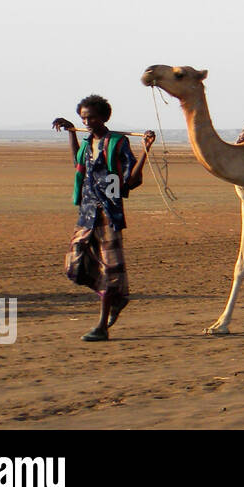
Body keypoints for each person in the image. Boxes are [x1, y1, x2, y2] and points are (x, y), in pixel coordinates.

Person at [52, 95, 155, 341]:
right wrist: (70, 132)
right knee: (75, 263)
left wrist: (146, 151)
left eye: (92, 117)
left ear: (105, 117)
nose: (87, 122)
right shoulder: (88, 145)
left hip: (109, 213)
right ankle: (117, 298)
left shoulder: (117, 143)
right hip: (87, 213)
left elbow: (132, 180)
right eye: (83, 118)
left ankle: (102, 325)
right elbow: (78, 163)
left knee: (109, 270)